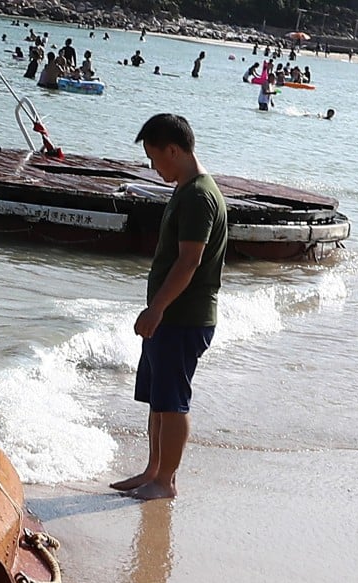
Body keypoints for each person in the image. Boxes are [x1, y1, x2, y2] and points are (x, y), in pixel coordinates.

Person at [111, 113, 227, 501]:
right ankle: (153, 471)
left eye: (153, 157)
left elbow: (190, 260)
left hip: (183, 316)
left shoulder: (198, 196)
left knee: (173, 402)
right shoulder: (186, 189)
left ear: (173, 150)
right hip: (172, 315)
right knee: (159, 401)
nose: (153, 166)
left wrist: (157, 308)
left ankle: (166, 481)